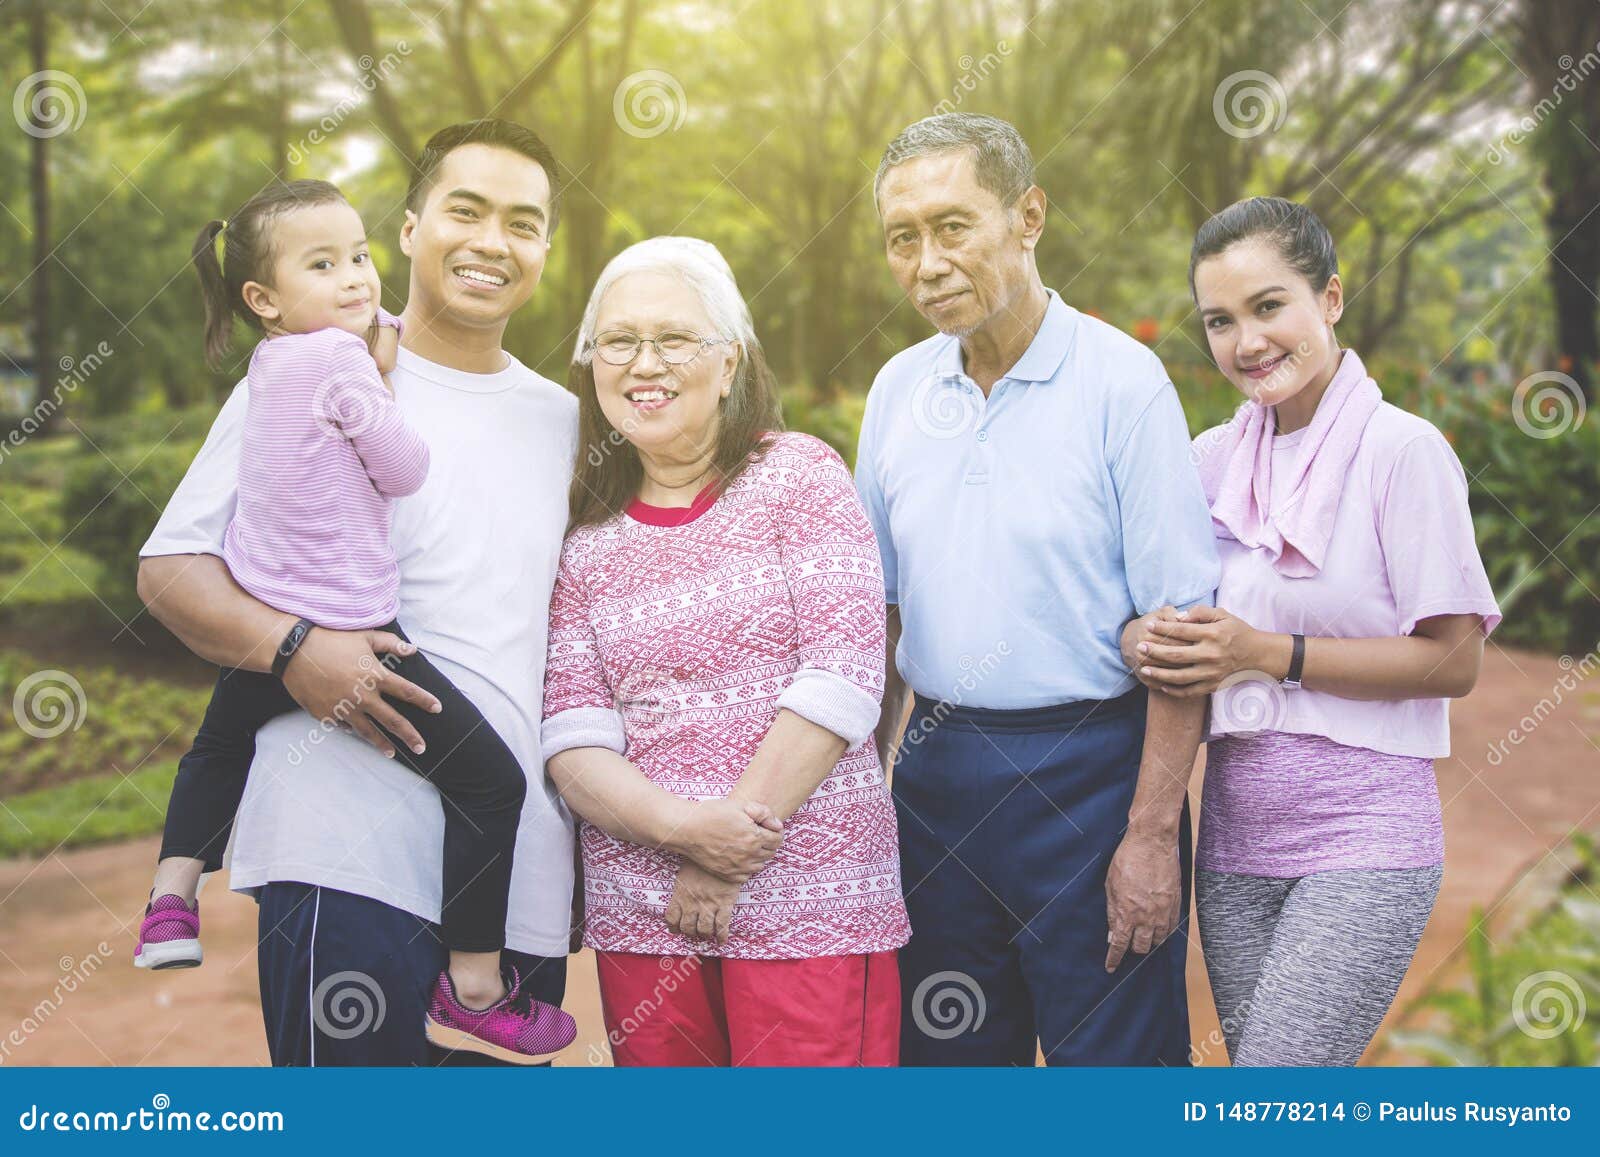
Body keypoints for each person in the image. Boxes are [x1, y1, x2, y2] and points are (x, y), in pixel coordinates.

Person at [136, 119, 579, 1066]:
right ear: (412, 229)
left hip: (510, 883)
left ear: (545, 248)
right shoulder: (305, 371)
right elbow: (170, 570)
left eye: (524, 222)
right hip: (340, 857)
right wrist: (293, 648)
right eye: (466, 210)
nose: (493, 241)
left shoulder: (568, 420)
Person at [857, 113, 1219, 1066]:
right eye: (904, 238)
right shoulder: (897, 390)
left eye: (952, 226)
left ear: (1028, 216)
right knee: (949, 1070)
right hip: (934, 776)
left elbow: (1184, 637)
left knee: (1118, 1077)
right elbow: (878, 616)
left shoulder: (1124, 384)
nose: (927, 261)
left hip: (1094, 779)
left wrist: (1150, 837)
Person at [1121, 196, 1501, 1066]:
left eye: (1268, 306)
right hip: (1233, 839)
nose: (1246, 341)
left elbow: (1455, 656)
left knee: (1279, 1090)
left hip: (1366, 837)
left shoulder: (1403, 452)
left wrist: (1268, 654)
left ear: (1329, 299)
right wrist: (1144, 636)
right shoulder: (1209, 459)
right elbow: (1148, 607)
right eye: (1220, 321)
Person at [541, 236, 909, 1066]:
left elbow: (844, 677)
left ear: (731, 360)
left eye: (674, 339)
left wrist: (725, 858)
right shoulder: (584, 540)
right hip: (646, 909)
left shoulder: (800, 478)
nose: (645, 363)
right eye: (619, 341)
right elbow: (571, 737)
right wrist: (687, 835)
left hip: (808, 896)